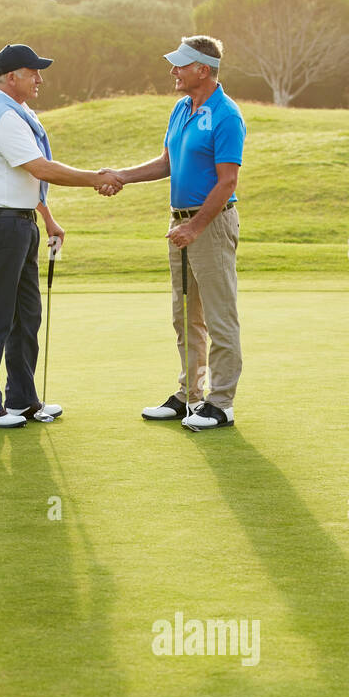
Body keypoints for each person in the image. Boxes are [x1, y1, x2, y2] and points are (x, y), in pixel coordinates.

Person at [0, 43, 121, 428]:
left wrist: (46, 217)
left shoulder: (16, 112)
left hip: (18, 222)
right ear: (12, 77)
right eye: (34, 73)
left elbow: (24, 176)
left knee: (26, 315)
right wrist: (97, 179)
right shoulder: (4, 117)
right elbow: (41, 168)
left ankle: (21, 400)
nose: (40, 79)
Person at [96, 36, 246, 431]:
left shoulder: (226, 115)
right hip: (180, 225)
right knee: (185, 317)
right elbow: (168, 162)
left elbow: (227, 182)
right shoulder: (181, 109)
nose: (172, 71)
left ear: (202, 69)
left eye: (180, 65)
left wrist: (195, 227)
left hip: (209, 226)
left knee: (219, 317)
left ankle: (221, 403)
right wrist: (122, 177)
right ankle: (189, 397)